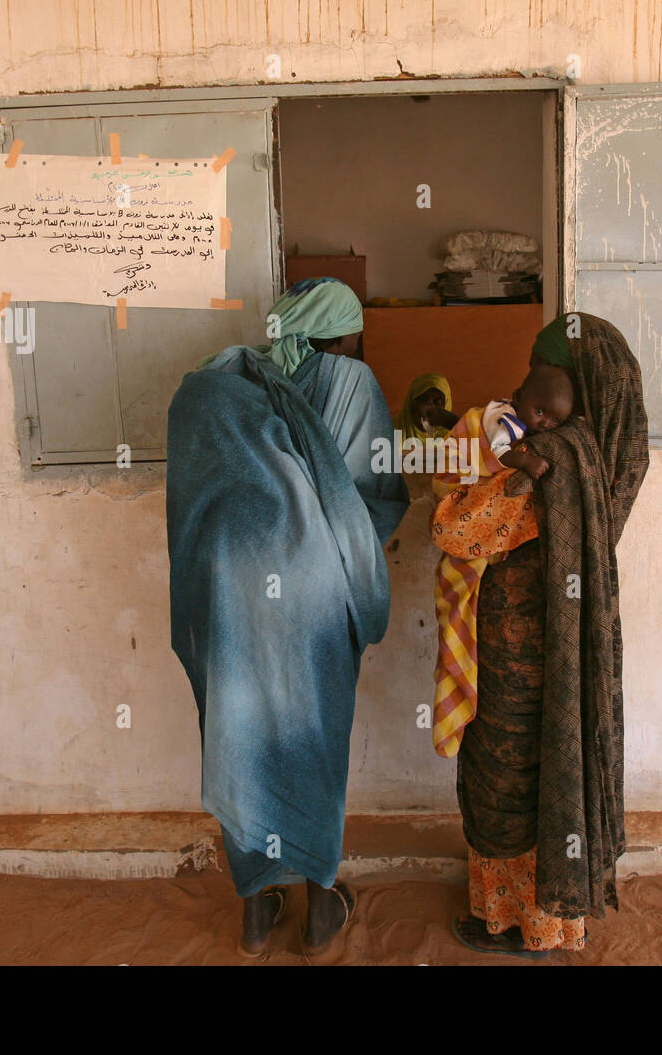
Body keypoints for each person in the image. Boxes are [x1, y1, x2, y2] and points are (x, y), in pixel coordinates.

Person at [166, 277, 409, 958]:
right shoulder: (352, 382)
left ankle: (253, 911)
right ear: (344, 334)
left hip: (230, 593)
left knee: (238, 734)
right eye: (356, 331)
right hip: (309, 594)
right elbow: (373, 492)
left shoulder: (226, 380)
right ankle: (320, 909)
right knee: (310, 739)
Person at [446, 312, 649, 956]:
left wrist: (478, 478)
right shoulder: (614, 450)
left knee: (507, 778)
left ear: (577, 381)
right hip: (574, 643)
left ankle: (513, 922)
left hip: (519, 648)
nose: (527, 394)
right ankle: (559, 916)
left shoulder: (552, 458)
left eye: (543, 377)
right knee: (560, 767)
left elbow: (459, 530)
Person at [428, 363, 575, 758]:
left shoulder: (515, 415)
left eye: (554, 420)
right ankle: (484, 543)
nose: (543, 423)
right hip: (455, 495)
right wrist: (526, 463)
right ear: (519, 395)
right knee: (512, 494)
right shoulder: (506, 423)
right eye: (540, 411)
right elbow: (496, 452)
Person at [393, 372, 459, 447]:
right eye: (424, 399)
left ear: (446, 406)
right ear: (411, 402)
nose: (429, 408)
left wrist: (454, 422)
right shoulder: (388, 432)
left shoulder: (451, 438)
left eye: (437, 402)